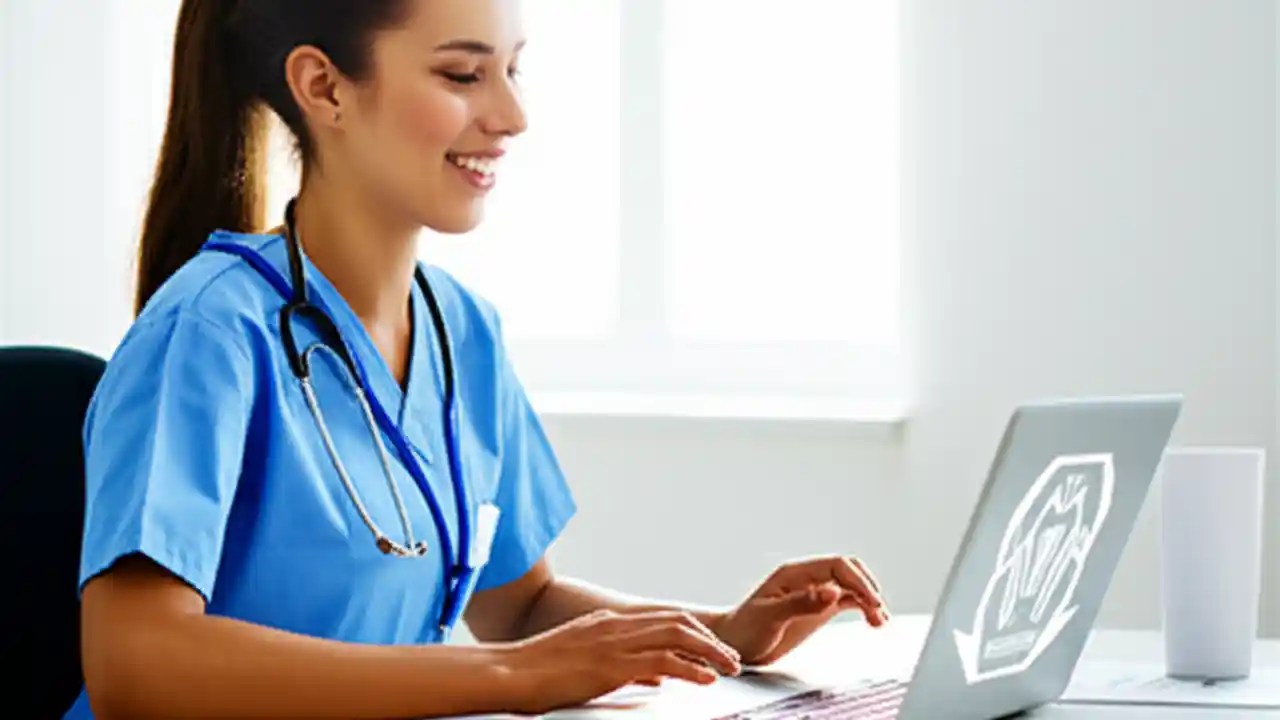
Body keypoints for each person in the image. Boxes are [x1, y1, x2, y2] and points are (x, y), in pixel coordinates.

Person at [68, 0, 890, 717]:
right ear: (323, 87)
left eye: (512, 71)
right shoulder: (207, 332)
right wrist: (508, 677)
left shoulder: (463, 331)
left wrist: (721, 633)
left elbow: (521, 606)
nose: (511, 115)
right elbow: (136, 667)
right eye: (463, 75)